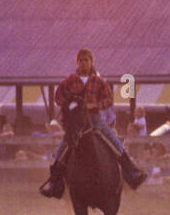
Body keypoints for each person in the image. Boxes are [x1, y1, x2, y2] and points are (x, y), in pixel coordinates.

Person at [40, 48, 146, 197]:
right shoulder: (70, 80)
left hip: (94, 119)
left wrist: (95, 105)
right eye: (81, 60)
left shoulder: (99, 81)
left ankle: (132, 173)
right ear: (77, 62)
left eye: (86, 60)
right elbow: (58, 96)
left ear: (91, 62)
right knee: (63, 148)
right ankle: (54, 182)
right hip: (77, 122)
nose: (83, 63)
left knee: (115, 142)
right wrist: (69, 105)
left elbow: (109, 99)